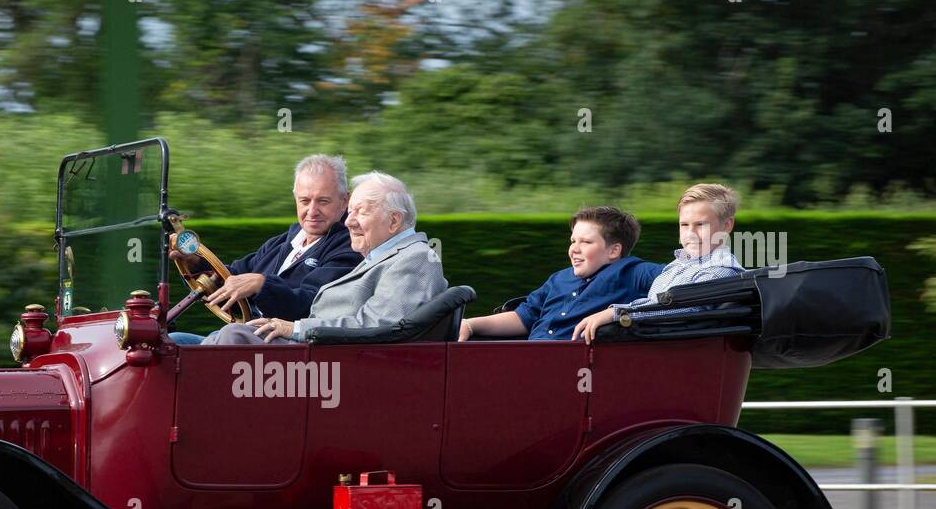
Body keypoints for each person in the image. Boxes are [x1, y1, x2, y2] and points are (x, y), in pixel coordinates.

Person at [203, 171, 446, 345]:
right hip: (323, 352)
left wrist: (294, 328)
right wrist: (198, 264)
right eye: (351, 211)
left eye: (360, 212)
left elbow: (379, 326)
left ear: (393, 221)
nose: (349, 221)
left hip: (334, 362)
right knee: (206, 341)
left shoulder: (416, 258)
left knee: (232, 338)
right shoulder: (379, 256)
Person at [168, 154, 362, 344]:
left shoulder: (350, 246)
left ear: (345, 201)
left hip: (293, 350)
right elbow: (230, 278)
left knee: (231, 334)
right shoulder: (282, 243)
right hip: (247, 336)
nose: (312, 211)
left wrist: (262, 285)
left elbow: (316, 306)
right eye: (305, 201)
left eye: (323, 201)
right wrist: (195, 264)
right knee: (171, 341)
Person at [571, 184, 745, 342]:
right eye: (684, 225)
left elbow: (678, 310)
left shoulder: (720, 272)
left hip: (679, 358)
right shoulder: (677, 266)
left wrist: (616, 313)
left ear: (727, 225)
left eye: (700, 225)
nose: (690, 233)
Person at [459, 206, 662, 341]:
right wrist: (469, 325)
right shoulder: (559, 279)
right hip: (526, 358)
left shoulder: (633, 272)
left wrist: (618, 311)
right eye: (573, 241)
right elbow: (524, 317)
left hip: (572, 369)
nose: (574, 249)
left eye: (586, 242)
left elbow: (684, 280)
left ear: (614, 251)